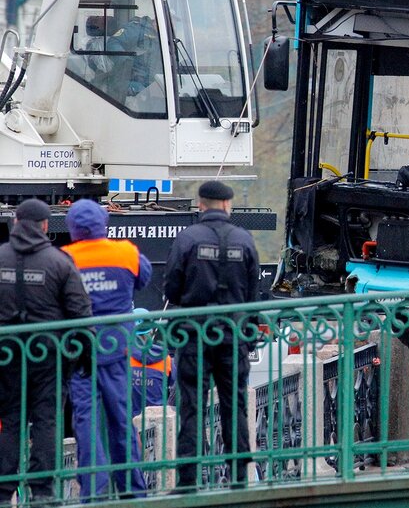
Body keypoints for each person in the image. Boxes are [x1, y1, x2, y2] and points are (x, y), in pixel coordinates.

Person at [162, 181, 260, 491]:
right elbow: (253, 293)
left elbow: (171, 288)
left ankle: (188, 478)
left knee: (191, 405)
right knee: (235, 404)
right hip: (232, 335)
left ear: (201, 204)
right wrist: (249, 333)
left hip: (194, 334)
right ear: (228, 205)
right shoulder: (244, 240)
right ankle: (239, 476)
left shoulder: (187, 239)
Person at [0, 199, 93, 504]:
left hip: (8, 354)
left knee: (10, 419)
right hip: (49, 356)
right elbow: (81, 315)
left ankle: (3, 489)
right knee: (46, 420)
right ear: (44, 226)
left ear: (15, 222)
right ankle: (42, 491)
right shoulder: (60, 262)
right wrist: (85, 358)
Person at [62, 199, 152, 500]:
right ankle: (131, 486)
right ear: (104, 224)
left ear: (72, 228)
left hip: (80, 351)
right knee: (121, 415)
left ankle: (93, 486)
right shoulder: (125, 252)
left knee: (85, 418)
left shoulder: (65, 258)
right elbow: (144, 279)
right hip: (117, 348)